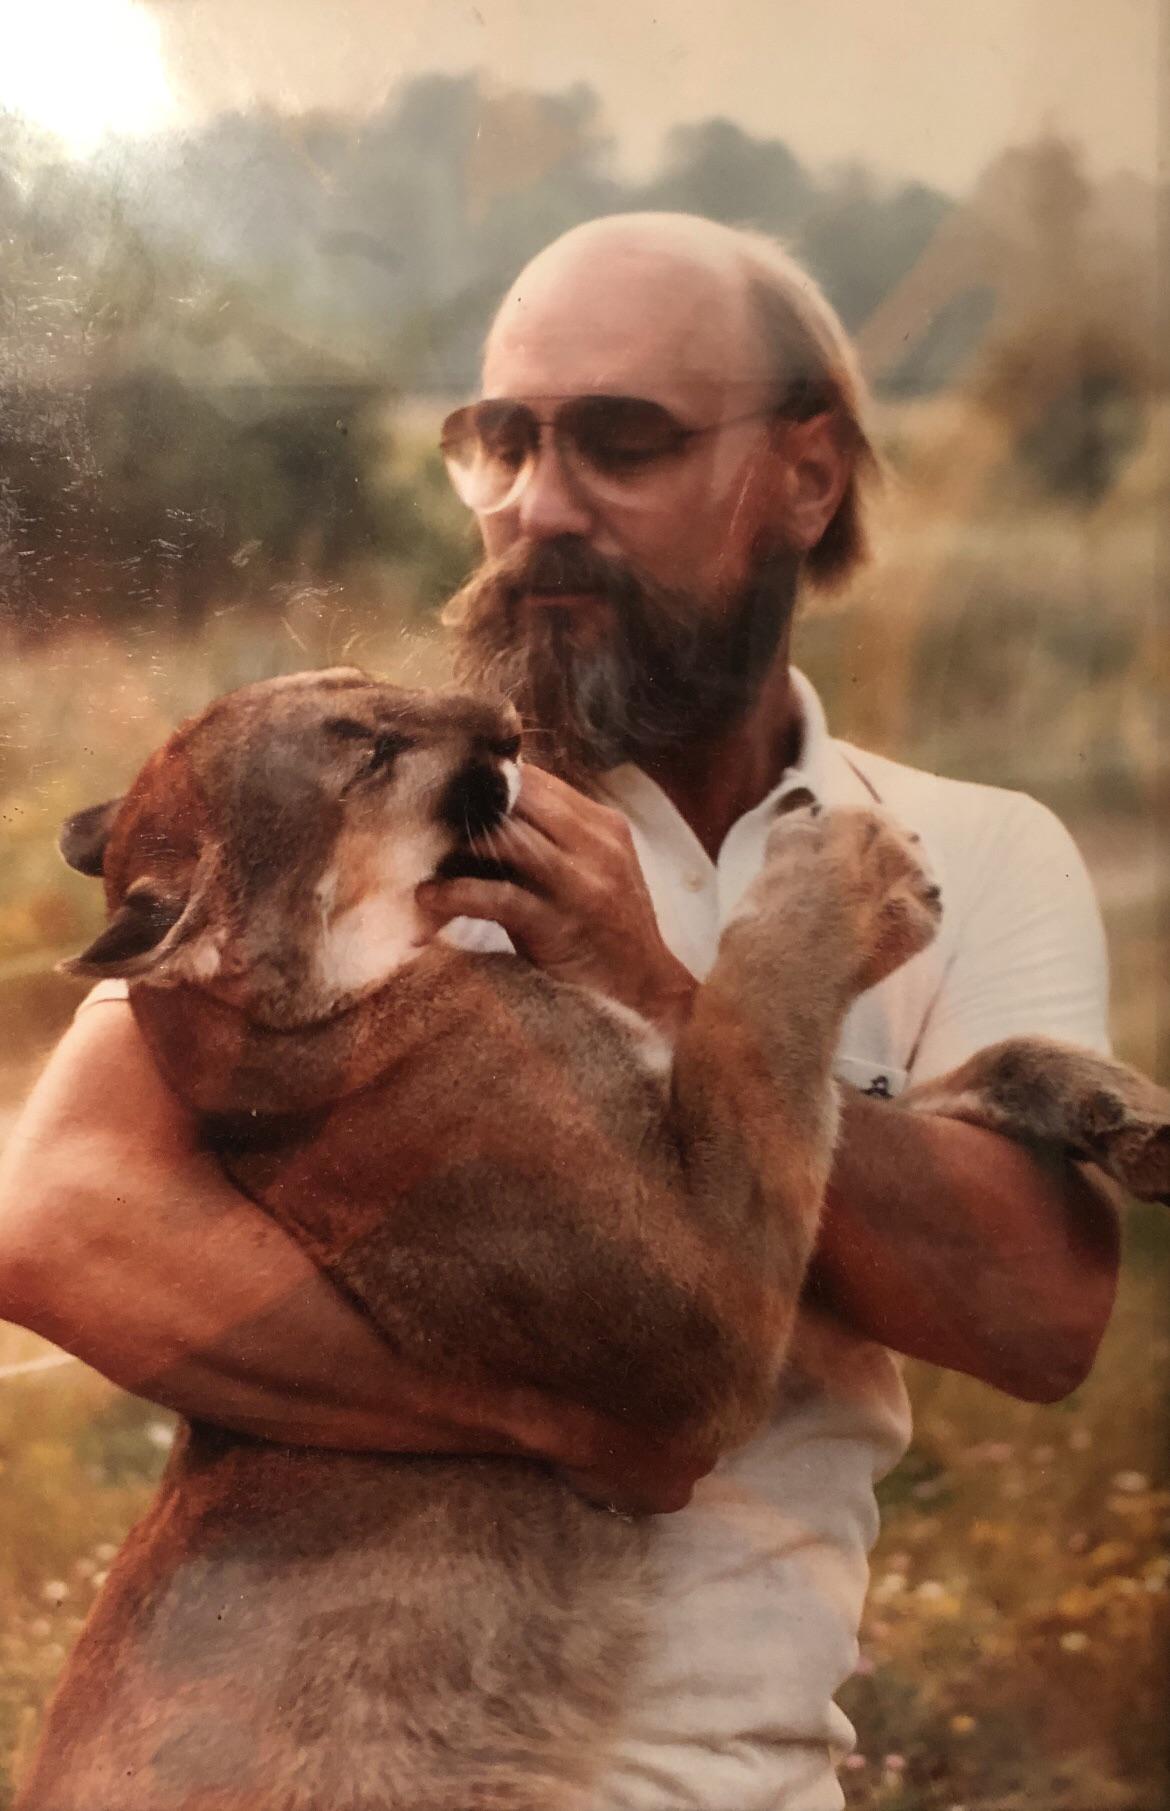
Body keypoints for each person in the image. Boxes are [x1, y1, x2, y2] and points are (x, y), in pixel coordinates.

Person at [0, 213, 1119, 1808]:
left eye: (621, 440)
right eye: (497, 439)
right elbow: (56, 1226)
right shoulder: (371, 822)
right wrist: (553, 1409)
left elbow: (1033, 1318)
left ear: (805, 476)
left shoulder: (983, 849)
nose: (536, 504)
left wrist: (659, 988)